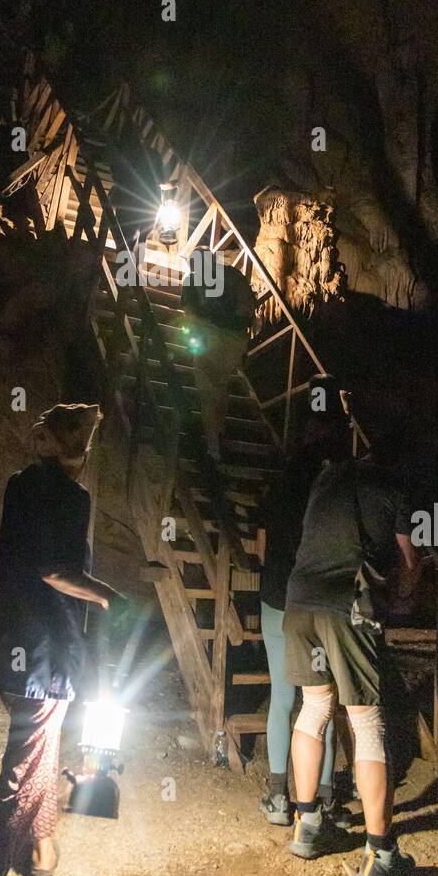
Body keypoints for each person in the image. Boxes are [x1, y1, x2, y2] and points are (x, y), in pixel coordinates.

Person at [0, 403, 121, 876]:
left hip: (12, 642)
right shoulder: (74, 498)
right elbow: (55, 571)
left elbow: (14, 561)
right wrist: (107, 596)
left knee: (42, 752)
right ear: (82, 451)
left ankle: (45, 848)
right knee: (20, 776)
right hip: (47, 653)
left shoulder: (19, 484)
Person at [282, 381, 422, 876]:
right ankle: (382, 853)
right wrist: (404, 599)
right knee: (366, 721)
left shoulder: (328, 477)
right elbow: (409, 566)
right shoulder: (398, 489)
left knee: (313, 709)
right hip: (346, 603)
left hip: (300, 599)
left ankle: (307, 826)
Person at [254, 415, 350, 828]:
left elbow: (260, 544)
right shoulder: (336, 487)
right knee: (321, 702)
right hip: (317, 602)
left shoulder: (280, 482)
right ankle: (324, 798)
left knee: (282, 697)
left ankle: (279, 797)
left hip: (278, 597)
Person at [180, 251, 256, 460]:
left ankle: (213, 447)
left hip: (209, 337)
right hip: (235, 342)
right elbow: (247, 310)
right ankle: (220, 430)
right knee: (221, 384)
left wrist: (193, 340)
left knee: (207, 391)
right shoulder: (234, 275)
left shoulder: (193, 280)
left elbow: (190, 314)